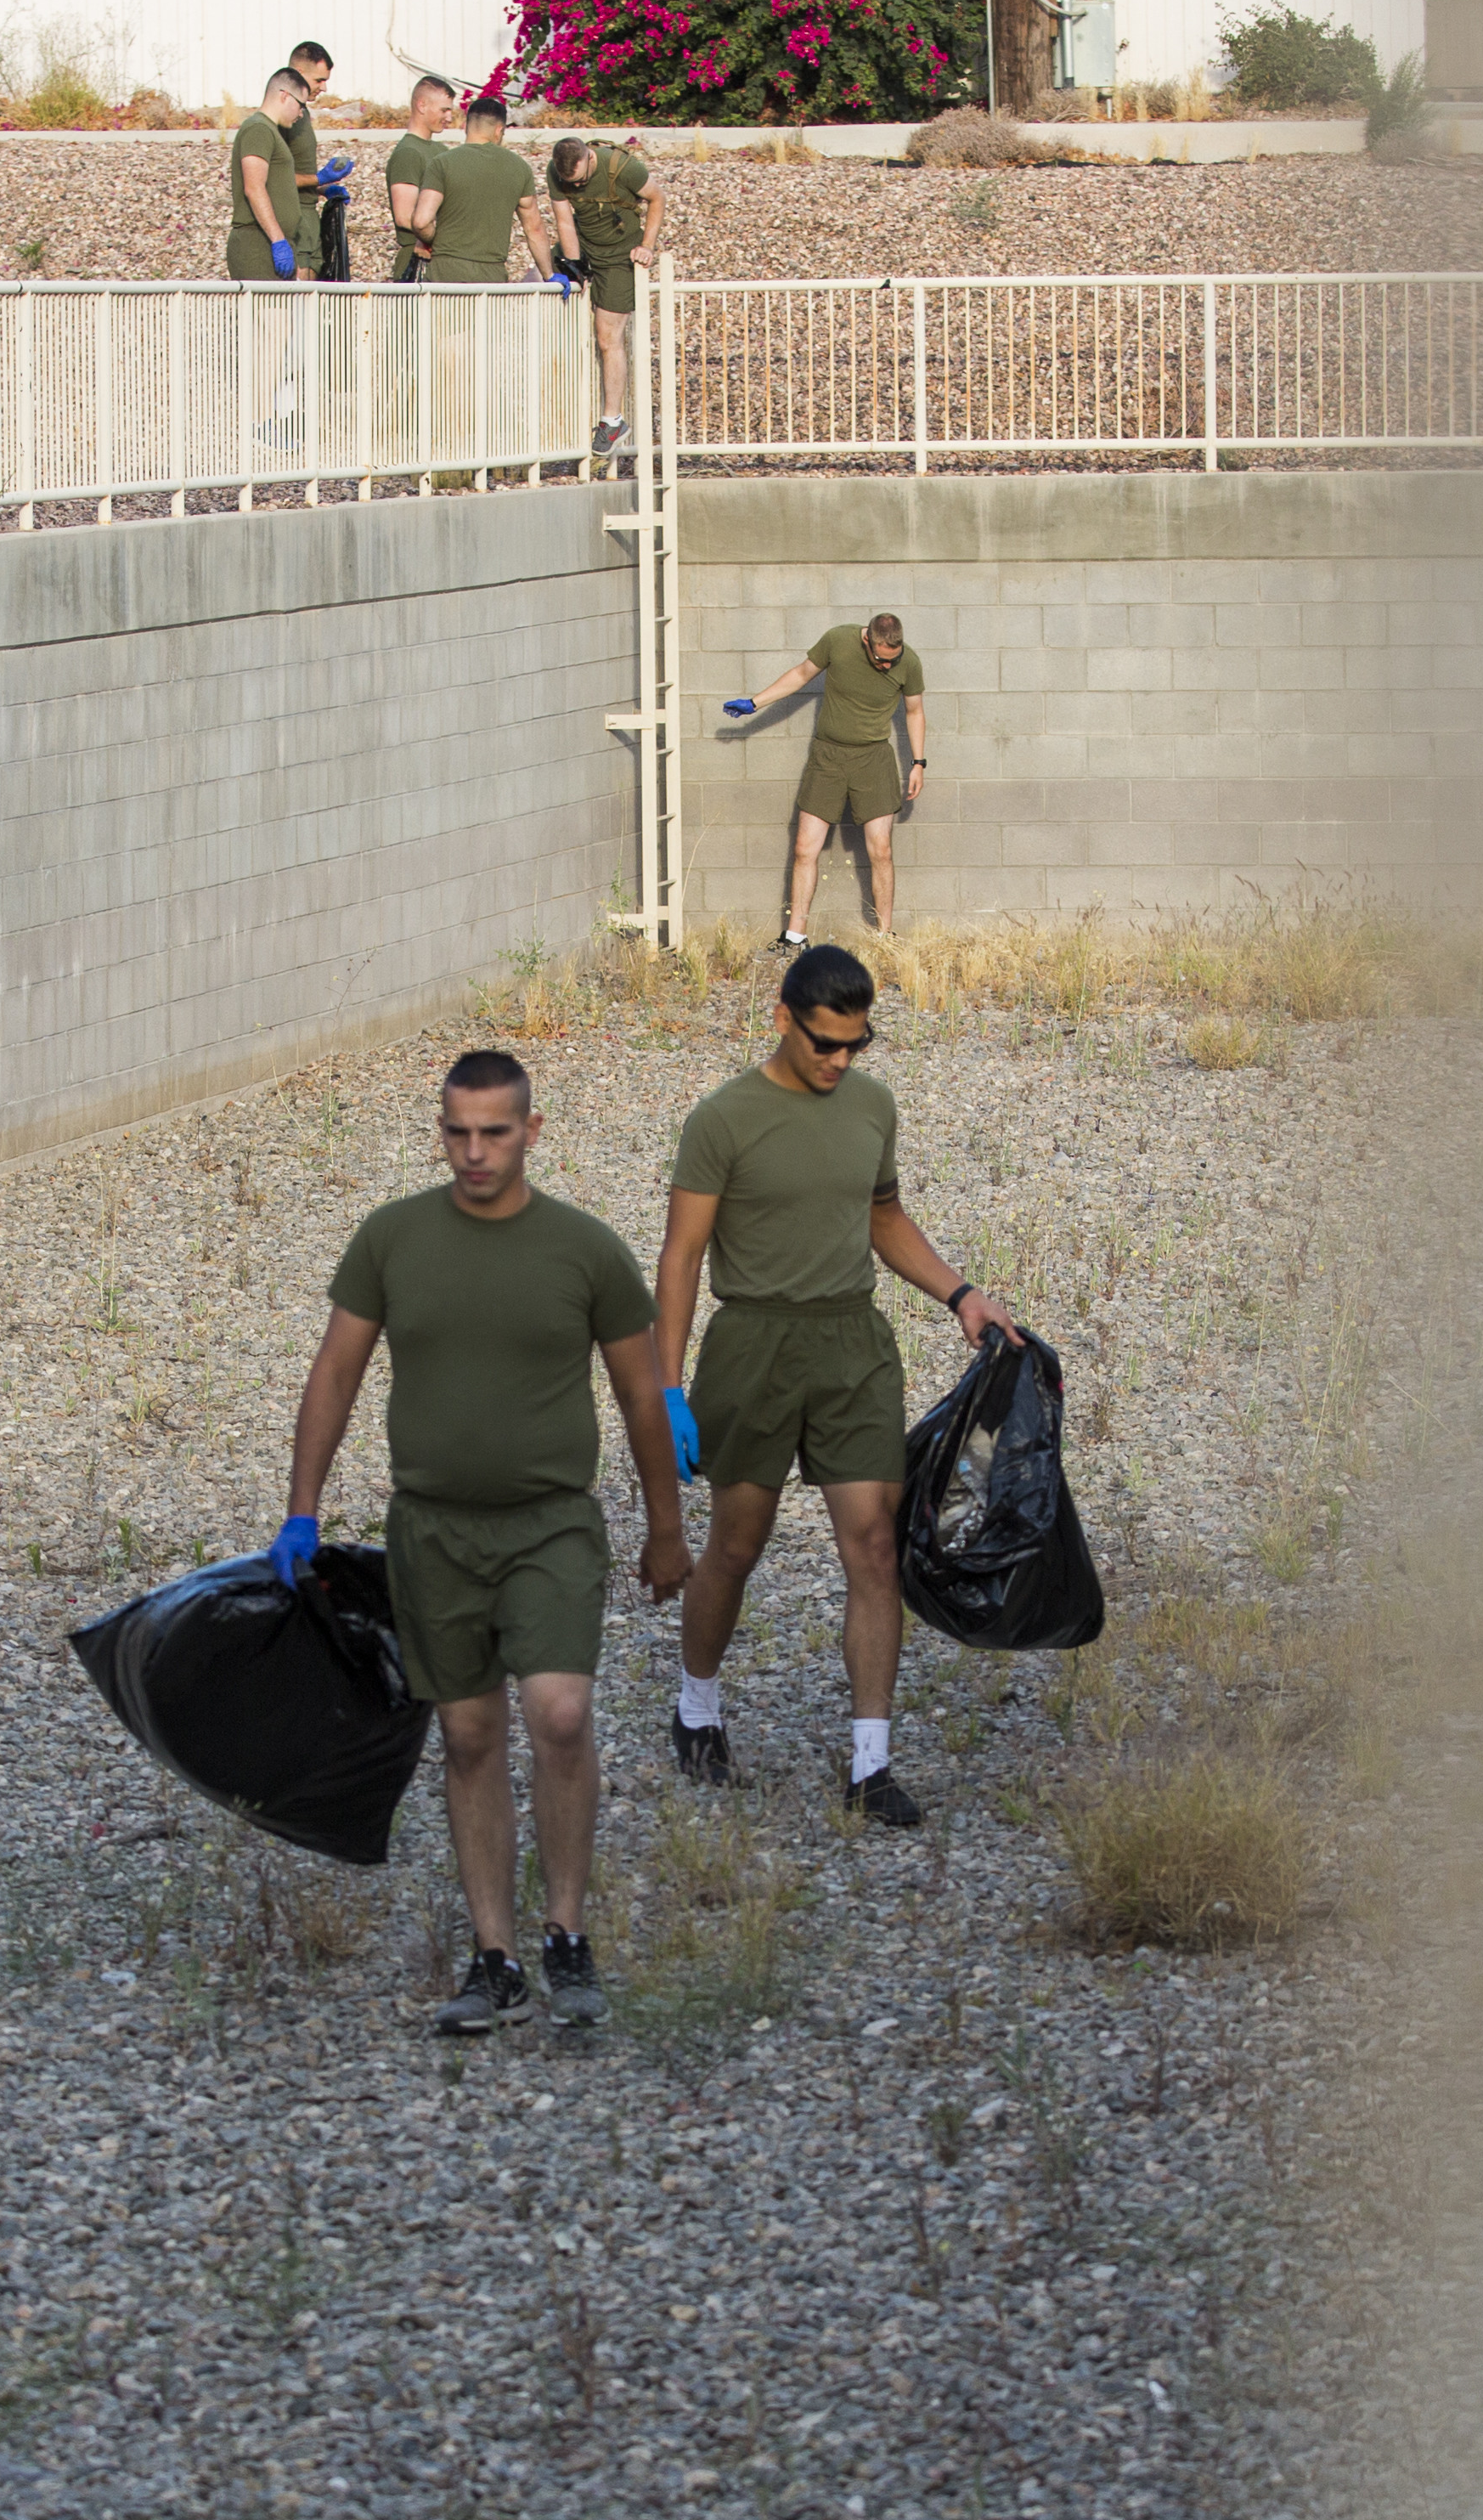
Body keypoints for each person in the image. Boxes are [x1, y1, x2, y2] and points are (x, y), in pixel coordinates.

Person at [279, 1051, 691, 2034]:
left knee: (559, 1711)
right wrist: (302, 1507)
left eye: (494, 1132)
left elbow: (641, 1396)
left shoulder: (585, 1251)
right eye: (457, 1132)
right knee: (468, 1734)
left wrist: (667, 1527)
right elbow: (335, 1371)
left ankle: (567, 1934)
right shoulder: (392, 1239)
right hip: (433, 1528)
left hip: (550, 1522)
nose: (474, 1151)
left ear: (531, 1132)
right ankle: (495, 1956)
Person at [653, 943, 1017, 1827]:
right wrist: (666, 1389)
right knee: (737, 1545)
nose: (840, 1060)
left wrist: (961, 1294)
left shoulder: (872, 1106)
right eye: (825, 1042)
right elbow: (682, 1254)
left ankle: (870, 1766)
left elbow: (882, 1215)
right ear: (782, 1019)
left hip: (853, 1345)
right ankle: (696, 1709)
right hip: (754, 1342)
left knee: (875, 1547)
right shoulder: (723, 1119)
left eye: (856, 1044)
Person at [723, 617, 930, 943]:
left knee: (881, 850)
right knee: (805, 848)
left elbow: (915, 711)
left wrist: (918, 763)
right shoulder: (838, 640)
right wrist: (754, 703)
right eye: (881, 659)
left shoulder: (910, 663)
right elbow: (801, 674)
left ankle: (883, 936)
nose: (887, 665)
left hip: (874, 760)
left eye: (894, 658)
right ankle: (794, 937)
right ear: (867, 641)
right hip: (827, 758)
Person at [543, 134, 663, 455]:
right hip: (584, 245)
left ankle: (612, 421)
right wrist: (575, 265)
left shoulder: (623, 167)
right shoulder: (556, 173)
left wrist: (647, 246)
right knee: (536, 280)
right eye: (572, 184)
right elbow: (564, 221)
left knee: (608, 337)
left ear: (590, 158)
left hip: (620, 254)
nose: (577, 187)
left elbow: (657, 199)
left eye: (581, 181)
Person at [225, 68, 321, 453]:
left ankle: (264, 419)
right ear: (284, 95)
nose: (301, 114)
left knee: (274, 337)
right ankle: (259, 421)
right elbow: (254, 187)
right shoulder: (258, 130)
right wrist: (279, 240)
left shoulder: (271, 133)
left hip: (268, 243)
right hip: (258, 243)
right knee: (270, 337)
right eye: (300, 105)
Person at [421, 96, 534, 285]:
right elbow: (534, 228)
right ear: (499, 131)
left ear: (466, 126)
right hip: (491, 274)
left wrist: (436, 241)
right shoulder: (520, 167)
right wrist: (549, 274)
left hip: (445, 272)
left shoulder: (442, 163)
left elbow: (421, 222)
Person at [283, 42, 354, 284]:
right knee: (297, 302)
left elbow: (295, 172)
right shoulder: (283, 118)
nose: (324, 88)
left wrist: (325, 188)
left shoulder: (302, 114)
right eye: (319, 80)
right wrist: (319, 178)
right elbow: (272, 178)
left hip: (308, 222)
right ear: (299, 73)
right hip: (293, 222)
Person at [383, 75, 456, 280]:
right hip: (417, 261)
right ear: (422, 105)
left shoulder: (441, 150)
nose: (450, 118)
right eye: (444, 110)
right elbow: (405, 216)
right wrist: (447, 238)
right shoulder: (408, 153)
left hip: (442, 259)